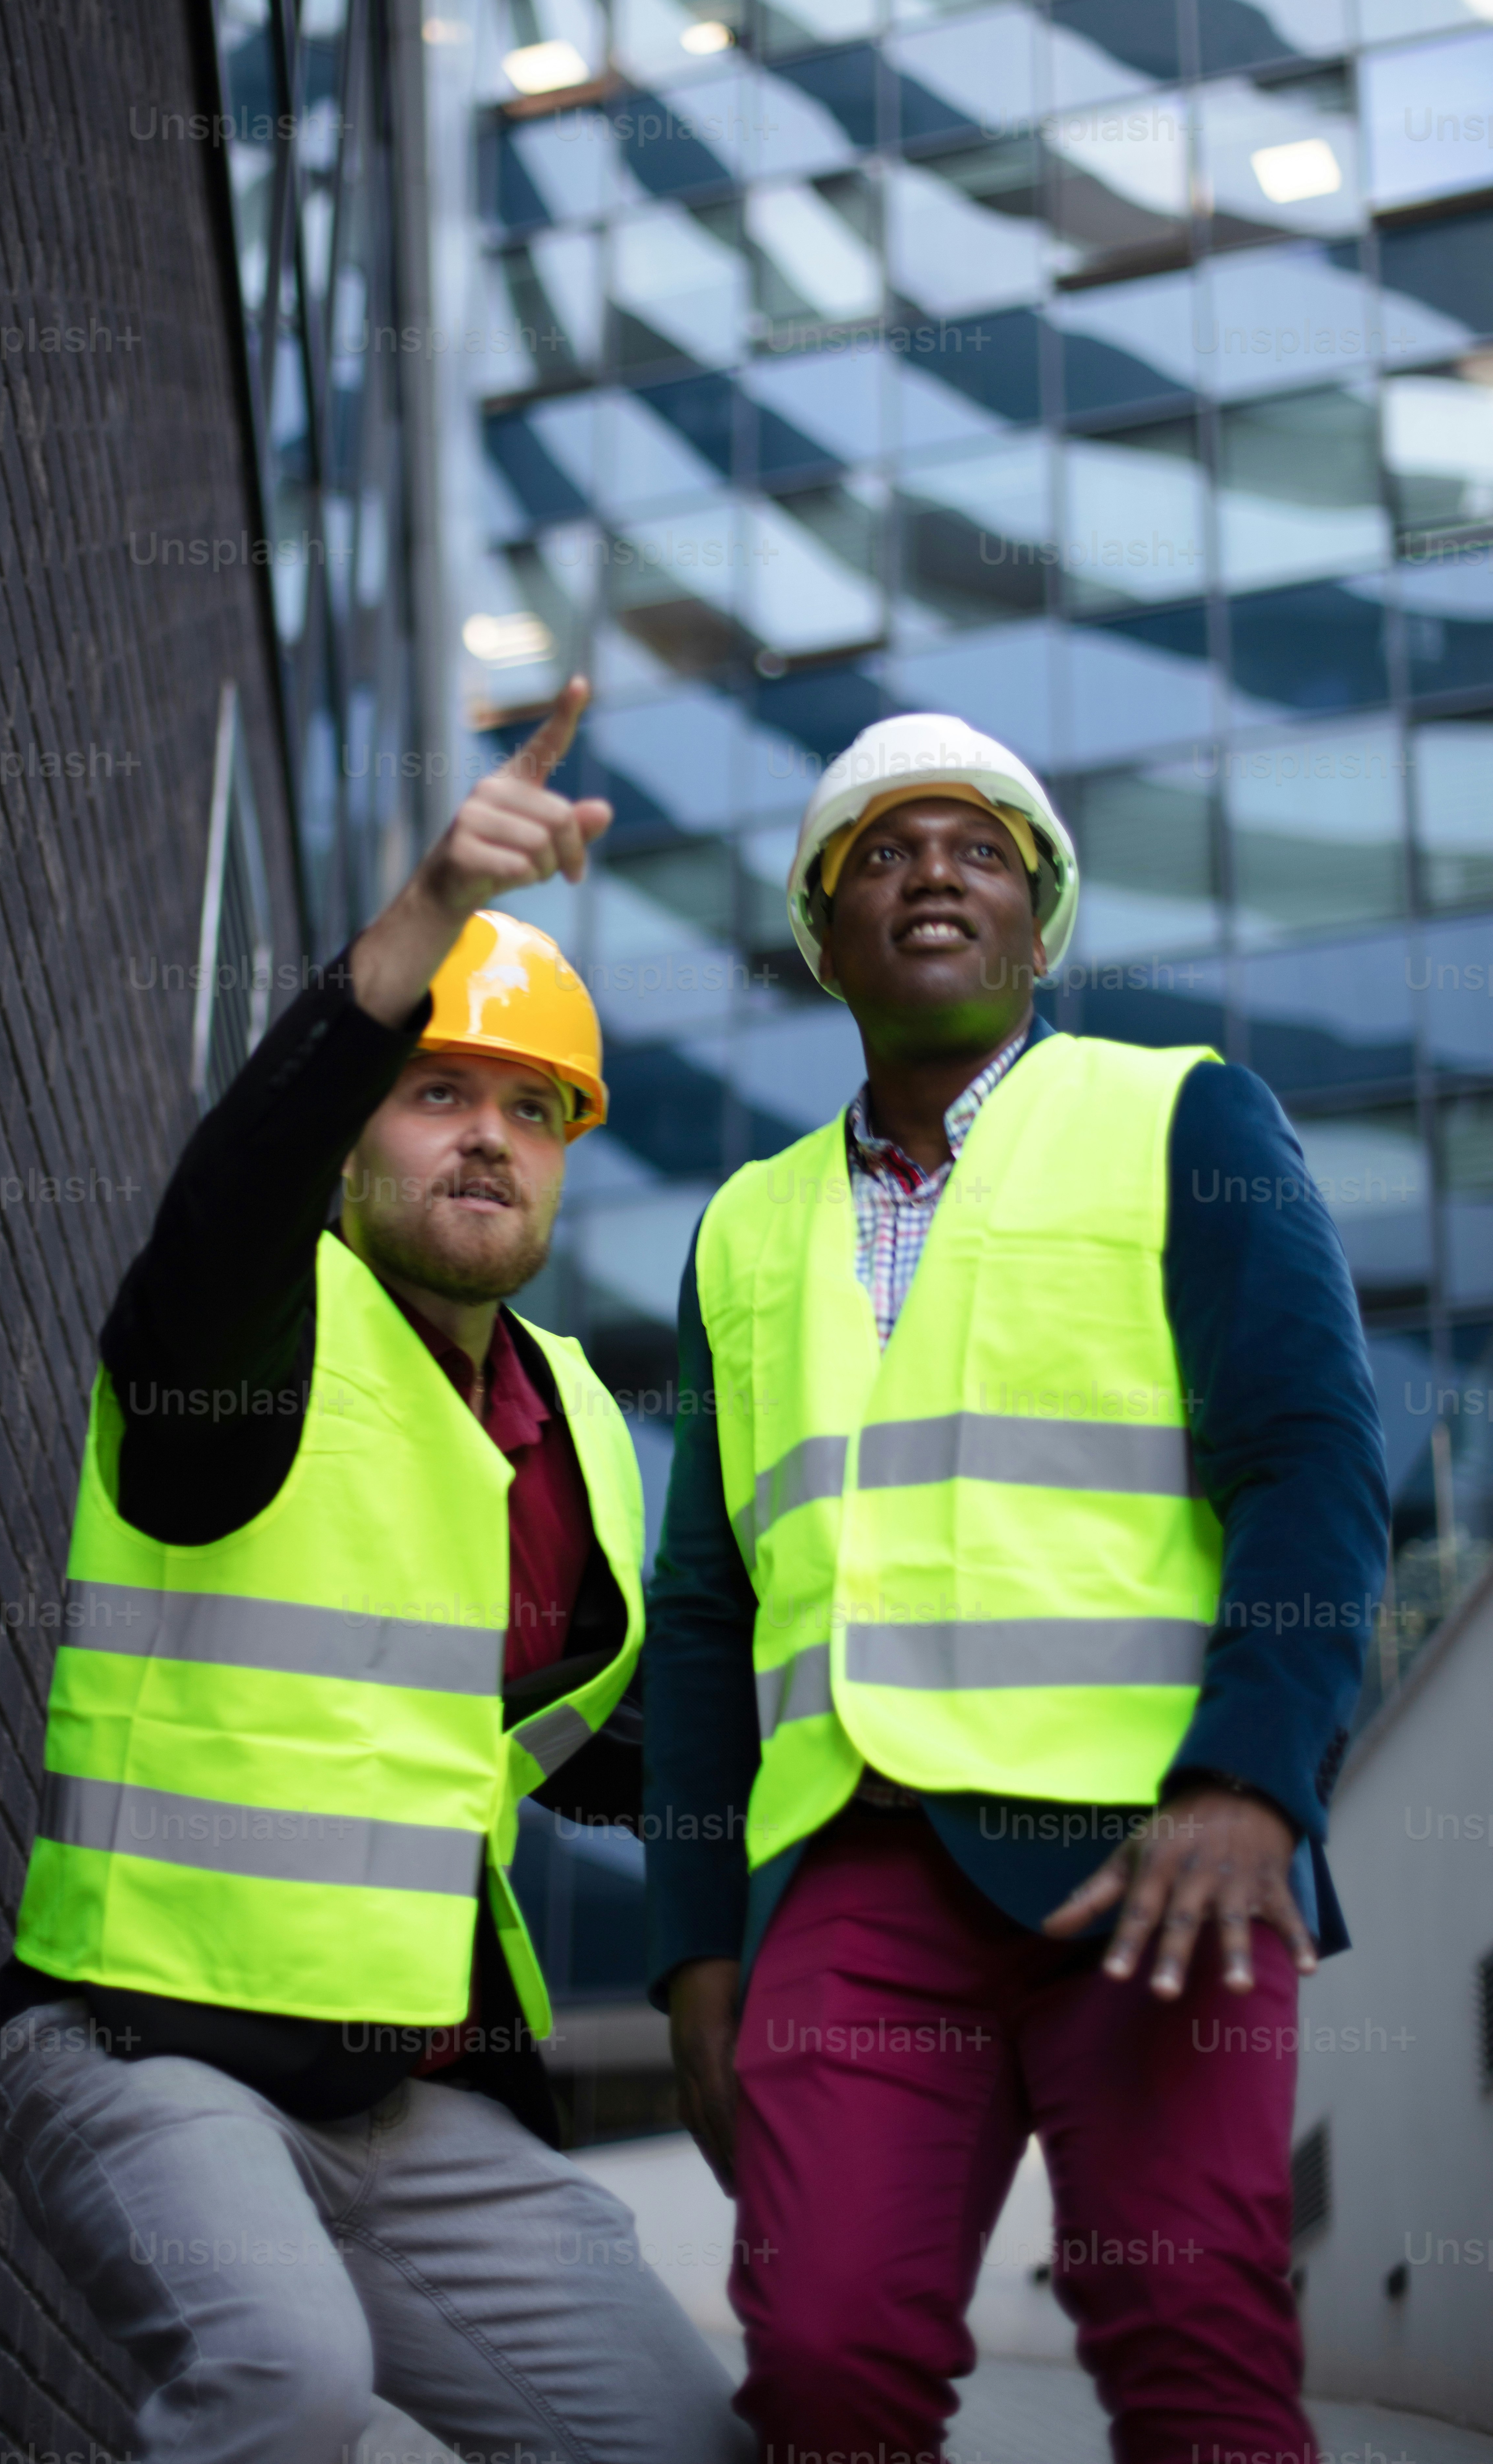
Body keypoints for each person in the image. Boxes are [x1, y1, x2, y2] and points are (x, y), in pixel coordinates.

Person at [0, 681, 749, 2464]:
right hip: (150, 2045)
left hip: (411, 2096)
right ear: (356, 1131)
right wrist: (427, 914)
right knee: (287, 2374)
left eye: (533, 1108)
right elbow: (233, 1194)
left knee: (685, 2442)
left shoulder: (572, 1419)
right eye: (437, 1091)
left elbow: (611, 1752)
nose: (488, 1134)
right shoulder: (251, 1333)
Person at [644, 709, 1390, 2464]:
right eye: (884, 854)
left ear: (1037, 931)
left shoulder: (1182, 1117)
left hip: (1155, 1857)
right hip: (858, 1875)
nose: (933, 875)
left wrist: (1252, 1780)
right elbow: (703, 1615)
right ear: (824, 938)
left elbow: (1311, 1460)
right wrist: (693, 1953)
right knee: (822, 2354)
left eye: (979, 850)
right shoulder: (743, 1226)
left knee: (1195, 2341)